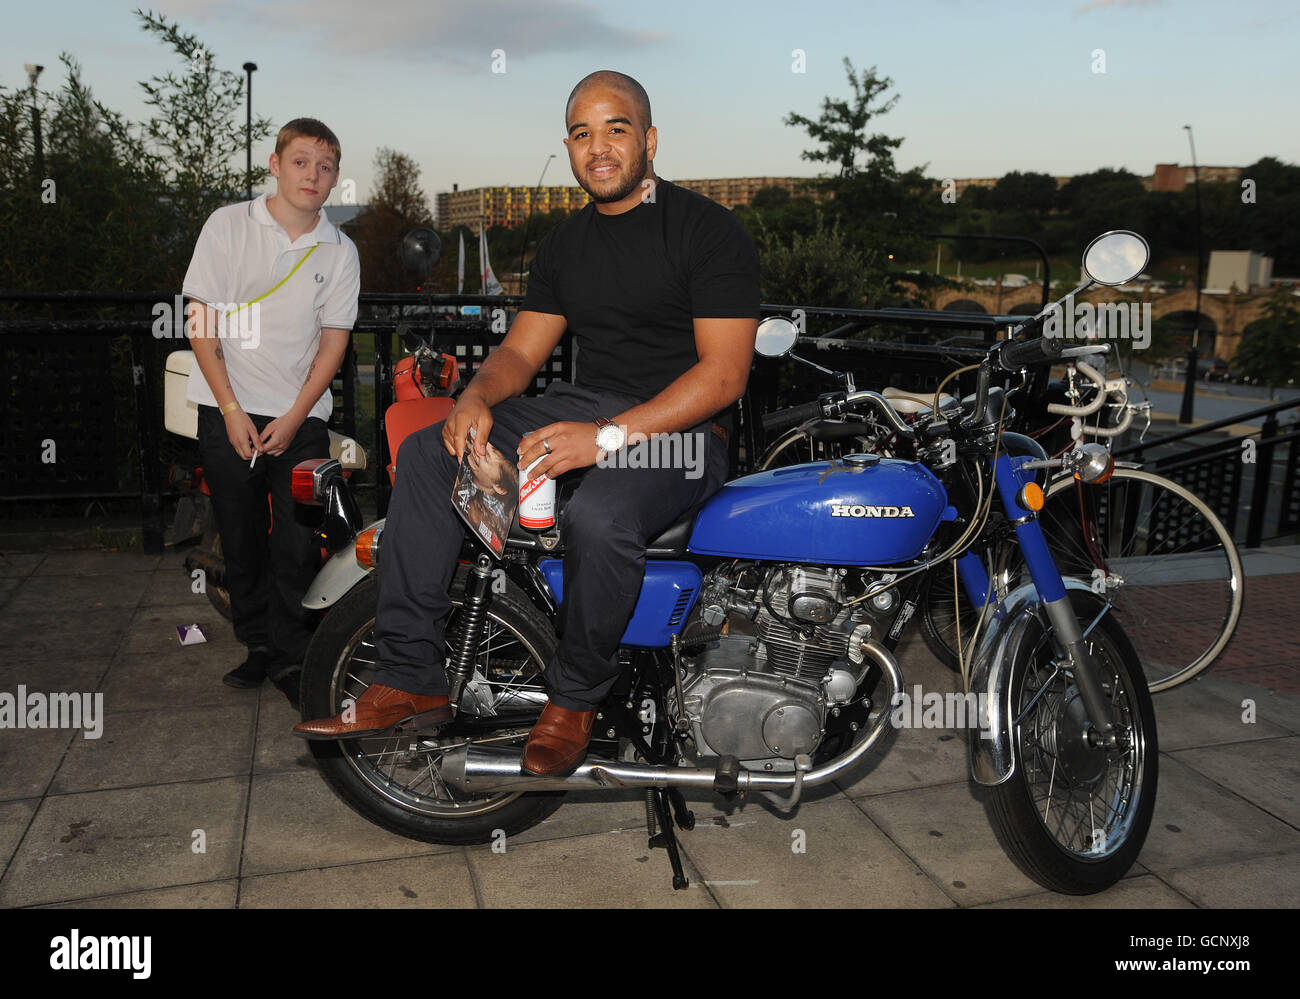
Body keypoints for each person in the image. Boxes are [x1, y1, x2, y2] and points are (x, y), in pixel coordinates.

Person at [294, 72, 759, 777]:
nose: (597, 147)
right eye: (581, 133)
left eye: (616, 128)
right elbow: (519, 351)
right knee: (427, 454)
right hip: (583, 404)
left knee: (600, 514)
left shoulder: (706, 228)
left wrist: (605, 438)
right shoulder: (567, 243)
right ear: (568, 147)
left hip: (684, 431)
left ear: (650, 139)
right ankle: (411, 670)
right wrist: (474, 398)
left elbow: (724, 375)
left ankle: (575, 699)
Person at [184, 118, 361, 707]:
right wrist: (232, 410)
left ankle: (291, 654)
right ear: (275, 163)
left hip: (300, 419)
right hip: (226, 411)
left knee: (296, 541)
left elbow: (333, 344)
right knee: (240, 539)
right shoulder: (228, 226)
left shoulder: (339, 251)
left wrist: (294, 418)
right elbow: (201, 325)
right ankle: (257, 644)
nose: (314, 175)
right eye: (302, 161)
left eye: (327, 165)